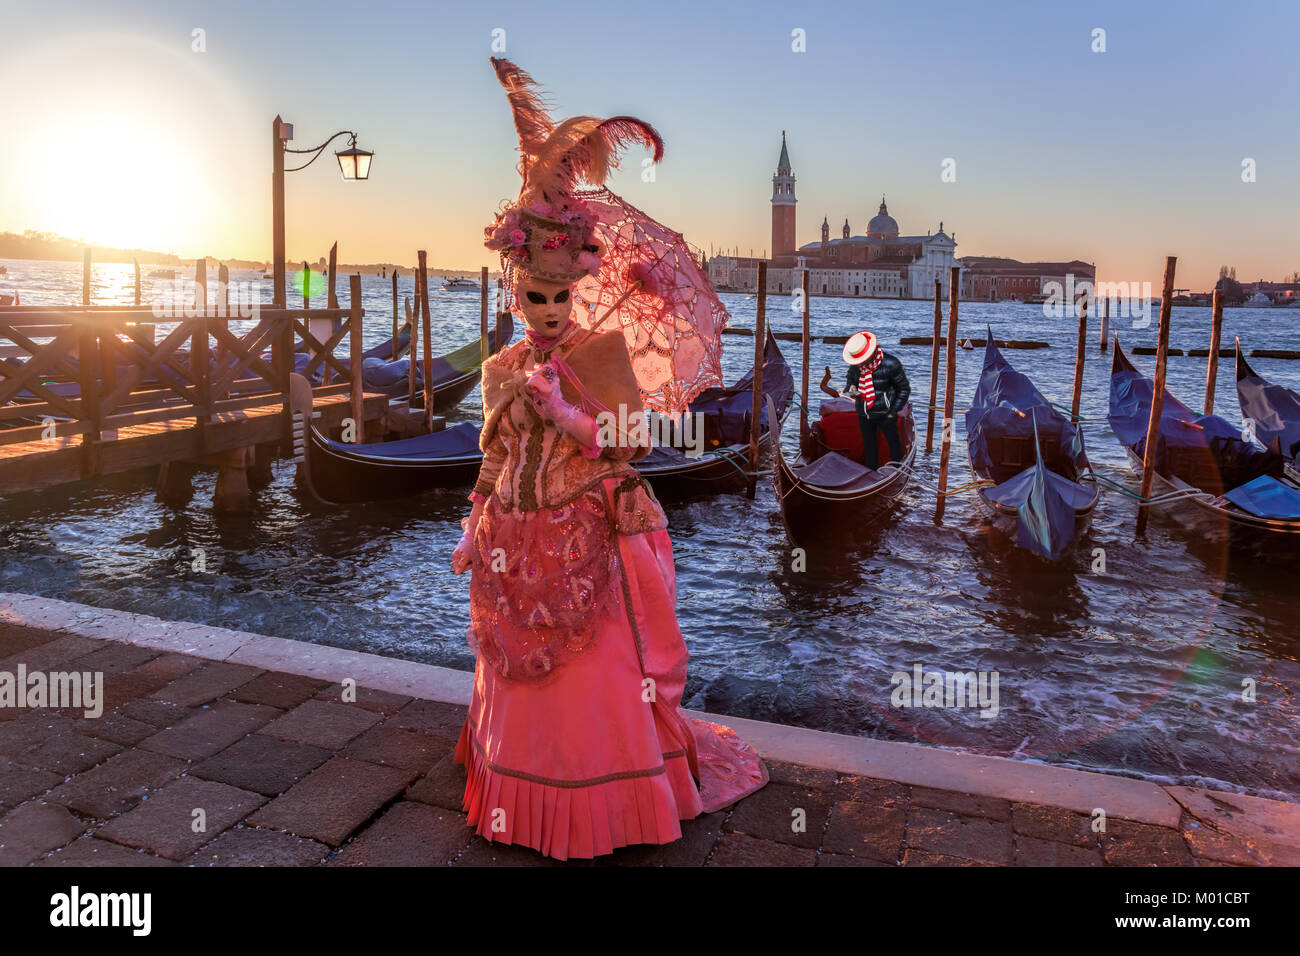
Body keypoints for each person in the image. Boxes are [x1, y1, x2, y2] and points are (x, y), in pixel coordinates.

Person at [447, 57, 767, 862]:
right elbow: (495, 454)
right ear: (517, 293)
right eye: (535, 299)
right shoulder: (501, 368)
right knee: (517, 669)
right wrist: (472, 524)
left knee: (598, 674)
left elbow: (633, 441)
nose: (549, 313)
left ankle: (611, 802)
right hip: (514, 542)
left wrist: (570, 414)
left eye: (560, 298)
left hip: (593, 528)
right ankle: (517, 793)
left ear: (578, 290)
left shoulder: (602, 353)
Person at [820, 329, 911, 469]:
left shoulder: (891, 364)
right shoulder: (856, 368)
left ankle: (893, 470)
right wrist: (852, 389)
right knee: (869, 446)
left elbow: (903, 389)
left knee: (892, 444)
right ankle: (869, 472)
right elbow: (851, 383)